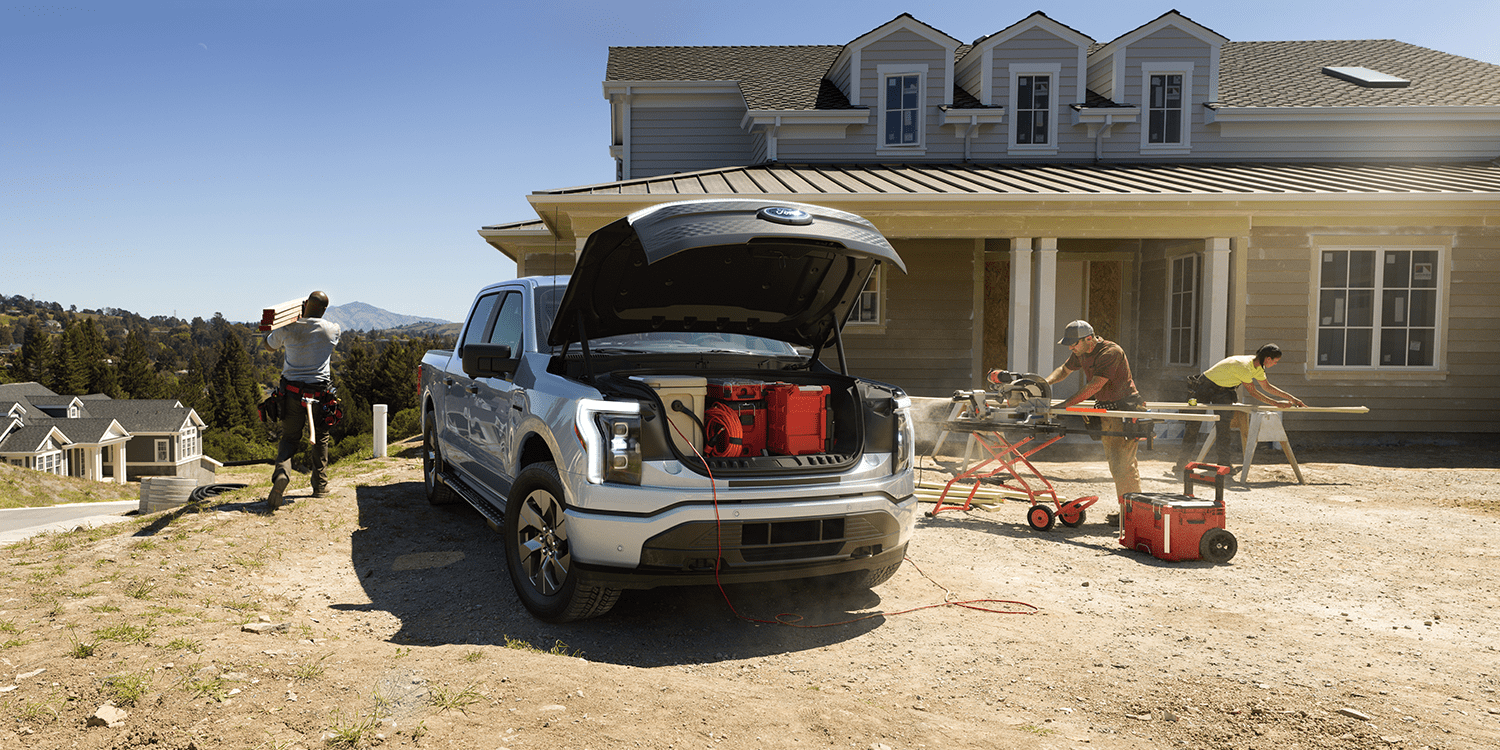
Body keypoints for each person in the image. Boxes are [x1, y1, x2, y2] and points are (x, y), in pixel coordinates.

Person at [1042, 320, 1144, 521]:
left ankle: (1133, 515)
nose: (1071, 348)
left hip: (1123, 410)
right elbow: (1064, 369)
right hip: (1108, 410)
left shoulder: (1110, 352)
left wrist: (1065, 405)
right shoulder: (1082, 351)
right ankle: (1130, 512)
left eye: (1074, 344)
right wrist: (1044, 382)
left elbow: (1095, 386)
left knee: (1123, 465)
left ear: (1089, 339)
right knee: (1117, 464)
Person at [261, 291, 341, 510]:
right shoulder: (331, 330)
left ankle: (282, 474)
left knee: (289, 438)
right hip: (319, 394)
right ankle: (320, 486)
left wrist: (290, 321)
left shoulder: (289, 329)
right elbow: (331, 333)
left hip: (292, 394)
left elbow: (269, 346)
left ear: (305, 305)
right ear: (324, 309)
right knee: (321, 437)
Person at [1173, 343, 1306, 474]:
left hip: (1224, 391)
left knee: (1224, 427)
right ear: (1268, 359)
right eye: (1275, 361)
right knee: (1193, 425)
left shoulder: (1258, 367)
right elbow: (1253, 392)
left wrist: (1293, 399)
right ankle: (1181, 463)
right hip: (1205, 386)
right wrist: (1277, 404)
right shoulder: (1244, 366)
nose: (1275, 364)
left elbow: (1267, 387)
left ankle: (1224, 465)